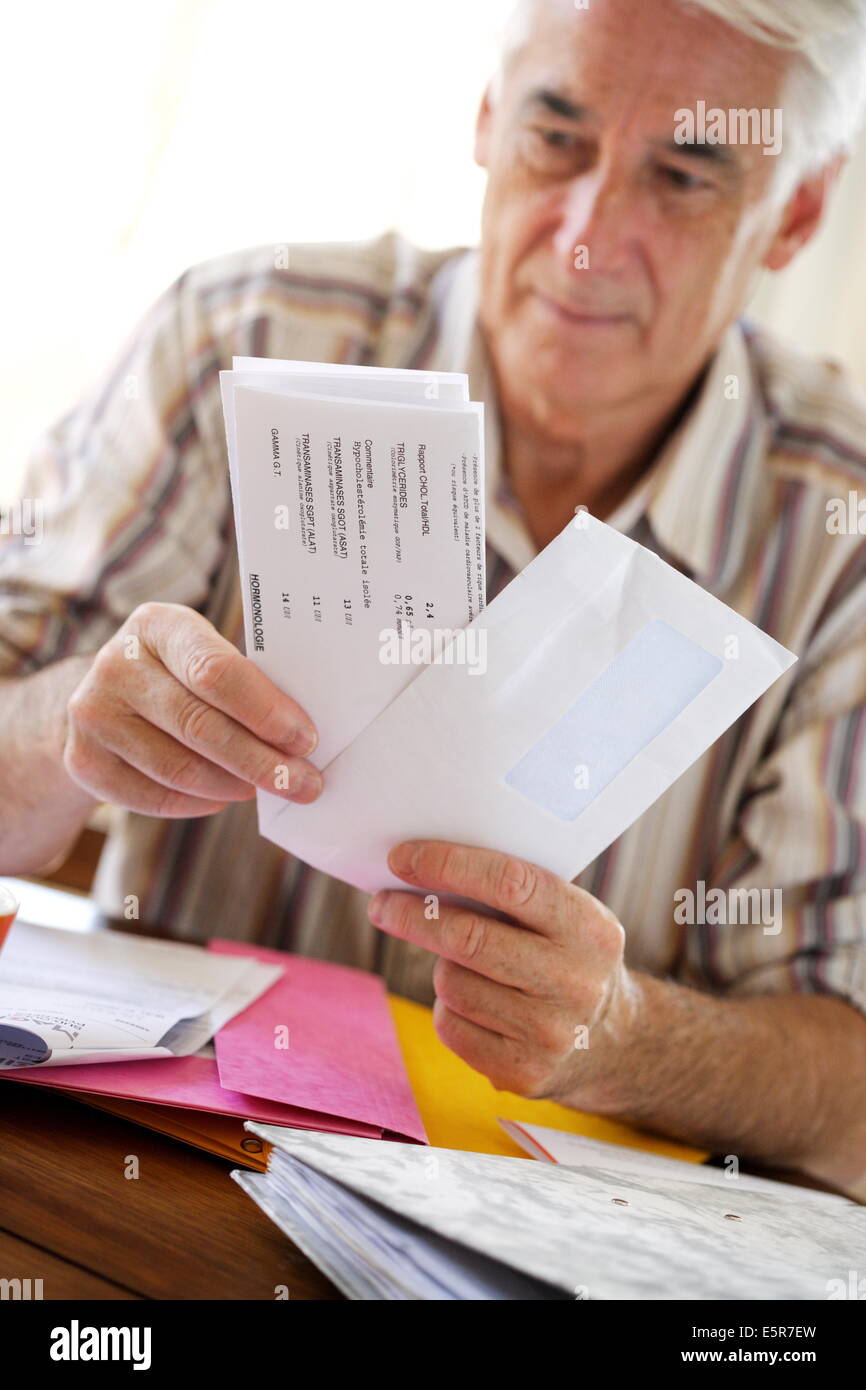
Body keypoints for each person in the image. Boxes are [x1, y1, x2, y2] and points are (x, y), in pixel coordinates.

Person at [2, 0, 866, 1195]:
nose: (585, 235)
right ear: (481, 118)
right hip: (147, 1182)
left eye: (679, 176)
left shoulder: (842, 535)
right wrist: (61, 733)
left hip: (549, 1240)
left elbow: (851, 1087)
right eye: (552, 139)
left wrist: (622, 1034)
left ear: (798, 213)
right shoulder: (239, 333)